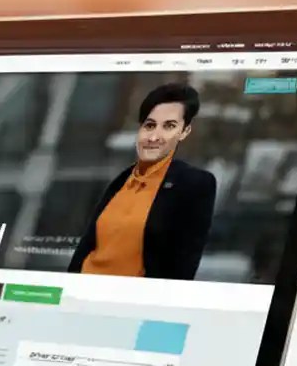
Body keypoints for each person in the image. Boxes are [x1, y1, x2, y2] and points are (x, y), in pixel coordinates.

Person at [67, 83, 216, 280]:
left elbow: (183, 266)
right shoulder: (122, 179)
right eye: (150, 125)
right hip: (83, 290)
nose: (154, 137)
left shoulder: (193, 184)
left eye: (169, 126)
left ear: (184, 131)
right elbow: (87, 247)